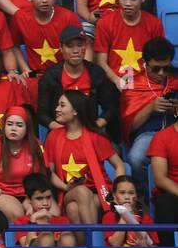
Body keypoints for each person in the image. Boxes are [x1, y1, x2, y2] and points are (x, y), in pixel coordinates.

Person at [46, 90, 127, 226]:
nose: (57, 109)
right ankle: (94, 242)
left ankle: (86, 246)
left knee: (73, 209)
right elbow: (49, 171)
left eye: (62, 105)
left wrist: (116, 191)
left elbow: (119, 165)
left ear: (76, 111)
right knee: (82, 192)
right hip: (68, 190)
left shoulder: (95, 136)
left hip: (98, 192)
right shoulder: (53, 136)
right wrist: (66, 187)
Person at [37, 25, 118, 135]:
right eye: (70, 46)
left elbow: (111, 107)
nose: (76, 51)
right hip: (60, 132)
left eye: (80, 45)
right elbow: (42, 113)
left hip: (90, 132)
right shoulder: (50, 77)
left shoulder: (96, 73)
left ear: (86, 46)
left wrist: (94, 126)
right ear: (61, 47)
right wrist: (61, 130)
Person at [123, 38, 178, 194]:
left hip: (175, 131)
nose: (161, 74)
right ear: (144, 63)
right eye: (155, 69)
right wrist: (150, 107)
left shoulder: (176, 79)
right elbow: (129, 125)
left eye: (166, 68)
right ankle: (145, 200)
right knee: (135, 159)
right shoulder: (133, 84)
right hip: (149, 135)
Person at [0, 105, 45, 221]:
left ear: (27, 128)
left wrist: (31, 200)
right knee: (17, 214)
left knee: (51, 212)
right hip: (0, 193)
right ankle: (25, 239)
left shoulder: (35, 145)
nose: (13, 128)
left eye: (19, 125)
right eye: (9, 124)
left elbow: (39, 178)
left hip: (29, 193)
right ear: (3, 126)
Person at [93, 0, 162, 91]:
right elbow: (101, 62)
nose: (128, 3)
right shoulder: (104, 23)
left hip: (145, 82)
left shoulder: (154, 24)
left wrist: (144, 83)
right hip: (113, 81)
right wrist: (117, 81)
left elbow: (157, 59)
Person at [9, 0, 83, 78]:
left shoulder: (69, 17)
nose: (44, 0)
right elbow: (14, 46)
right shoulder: (20, 17)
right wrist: (26, 69)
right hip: (36, 76)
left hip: (65, 75)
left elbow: (81, 47)